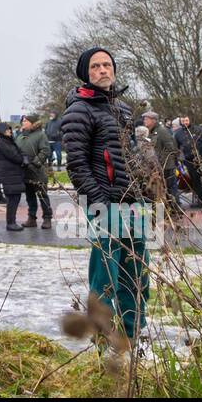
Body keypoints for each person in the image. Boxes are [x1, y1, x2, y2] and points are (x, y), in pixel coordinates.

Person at [62, 47, 149, 342]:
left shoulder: (123, 109)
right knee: (106, 275)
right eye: (96, 66)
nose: (103, 70)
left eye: (107, 65)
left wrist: (144, 189)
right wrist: (97, 200)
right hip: (104, 202)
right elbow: (76, 162)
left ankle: (131, 336)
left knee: (136, 271)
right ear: (86, 73)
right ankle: (103, 339)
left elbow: (131, 153)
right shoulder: (78, 109)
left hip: (132, 202)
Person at [14, 114, 53, 228]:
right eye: (23, 121)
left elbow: (45, 151)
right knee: (29, 197)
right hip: (25, 171)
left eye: (26, 121)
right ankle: (32, 218)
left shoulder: (40, 135)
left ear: (32, 122)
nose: (23, 123)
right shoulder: (20, 136)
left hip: (37, 172)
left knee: (42, 196)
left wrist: (35, 163)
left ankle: (47, 218)